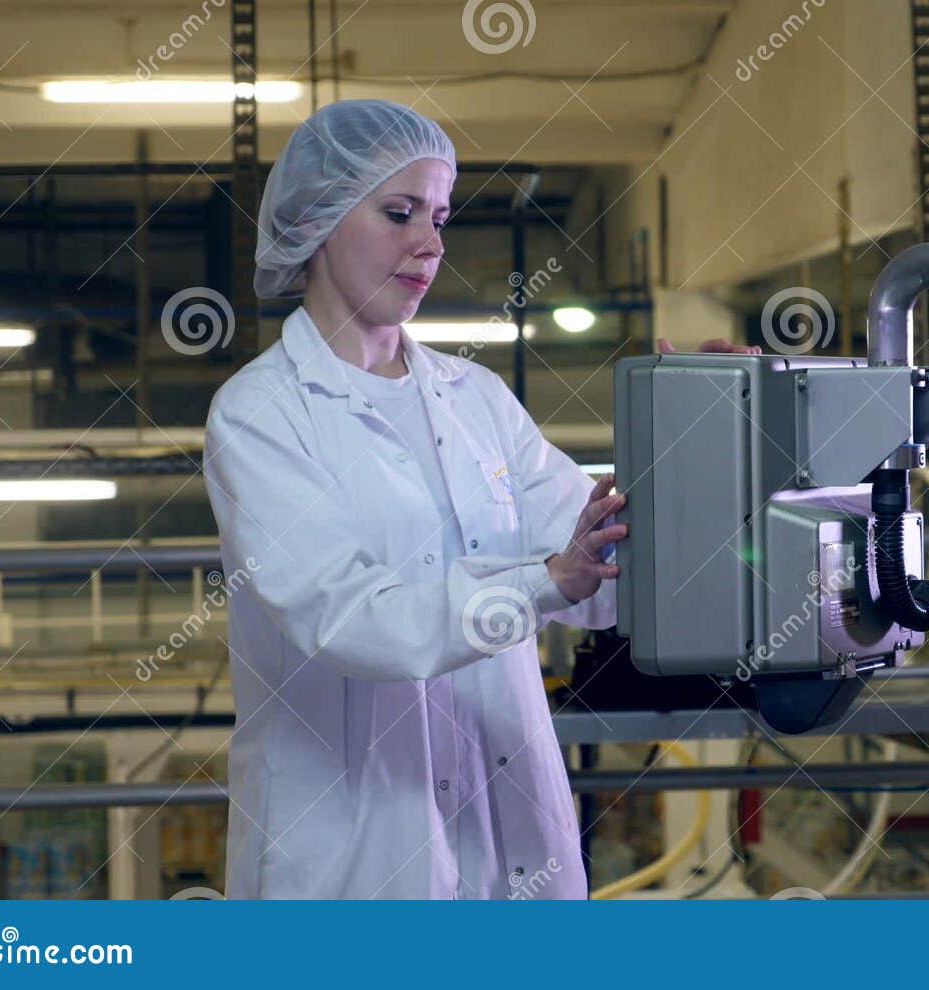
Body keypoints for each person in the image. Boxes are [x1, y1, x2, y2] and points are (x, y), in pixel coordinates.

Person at [202, 99, 752, 900]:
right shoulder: (260, 414)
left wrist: (706, 442)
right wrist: (542, 583)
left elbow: (603, 570)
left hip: (508, 839)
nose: (430, 245)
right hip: (352, 861)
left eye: (439, 218)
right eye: (399, 213)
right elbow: (346, 619)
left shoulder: (478, 398)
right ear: (317, 219)